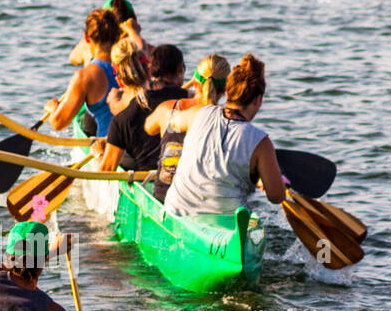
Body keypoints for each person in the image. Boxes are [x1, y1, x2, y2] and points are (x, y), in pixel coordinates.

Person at [161, 54, 287, 215]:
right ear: (258, 100)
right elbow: (276, 196)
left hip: (176, 210)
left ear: (227, 93)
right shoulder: (261, 142)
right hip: (224, 221)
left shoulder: (197, 113)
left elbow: (172, 122)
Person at [143, 52, 229, 200]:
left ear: (195, 83)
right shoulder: (228, 122)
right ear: (226, 89)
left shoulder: (168, 109)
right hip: (205, 200)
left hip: (164, 194)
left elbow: (149, 127)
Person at [98, 43, 191, 173]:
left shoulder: (120, 121)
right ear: (149, 72)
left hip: (150, 183)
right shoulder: (181, 95)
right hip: (184, 176)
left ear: (119, 81)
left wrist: (99, 155)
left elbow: (105, 173)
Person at [43, 7, 120, 139]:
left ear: (86, 37)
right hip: (140, 146)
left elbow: (58, 123)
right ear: (118, 36)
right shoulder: (134, 63)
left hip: (109, 147)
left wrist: (53, 108)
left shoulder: (85, 76)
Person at [68, 0, 147, 66]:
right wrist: (134, 32)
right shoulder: (139, 48)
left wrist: (90, 37)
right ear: (135, 22)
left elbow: (73, 58)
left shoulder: (88, 47)